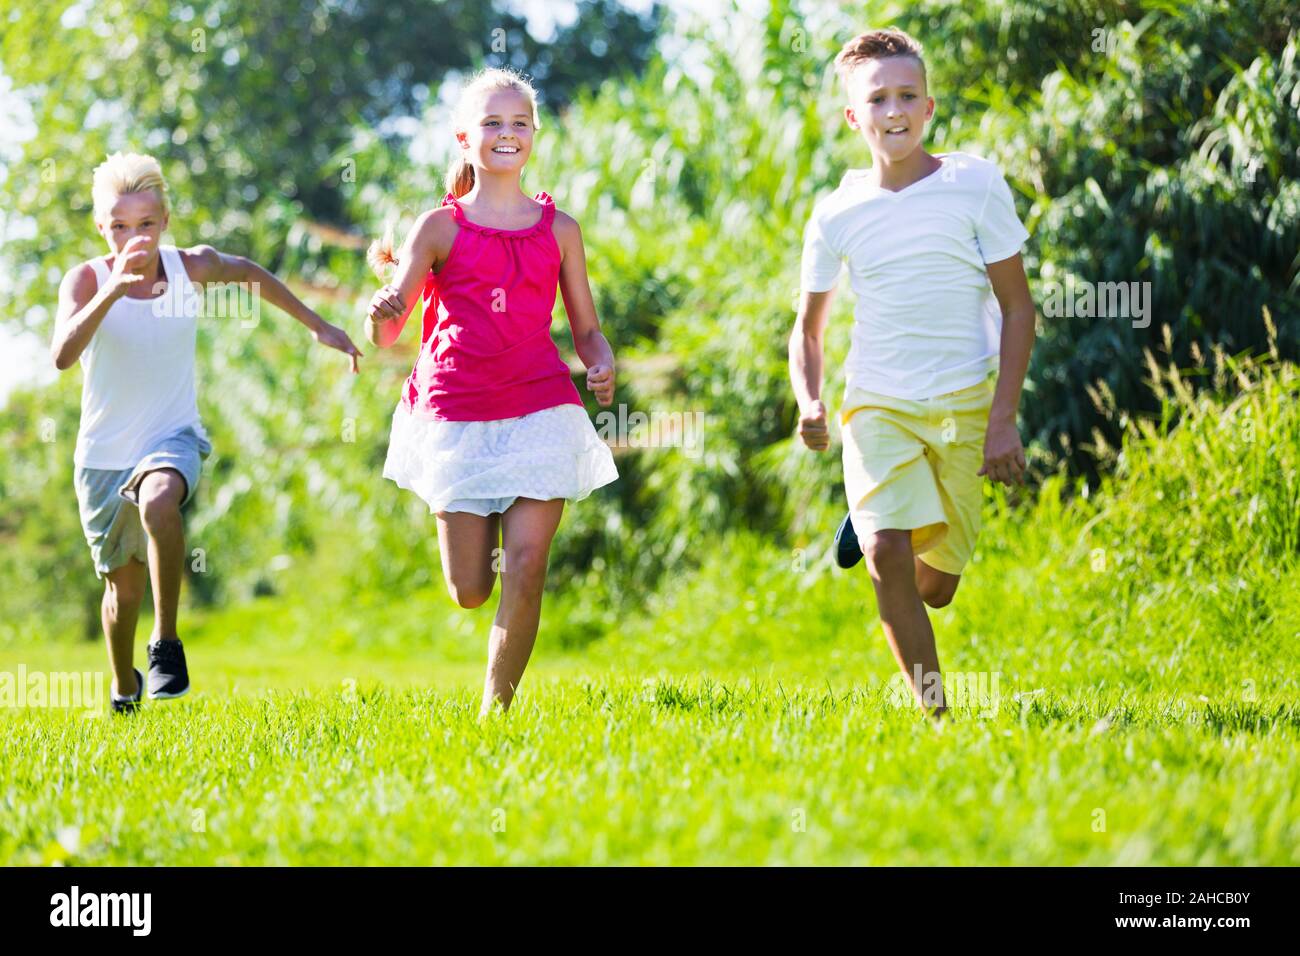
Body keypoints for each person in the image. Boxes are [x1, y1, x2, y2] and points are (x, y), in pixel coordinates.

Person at [51, 152, 363, 714]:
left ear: (164, 222)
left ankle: (166, 643)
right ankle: (125, 683)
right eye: (120, 226)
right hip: (101, 458)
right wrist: (113, 290)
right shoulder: (86, 280)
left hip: (172, 437)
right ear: (103, 228)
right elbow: (61, 356)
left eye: (146, 224)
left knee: (160, 501)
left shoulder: (189, 267)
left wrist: (319, 326)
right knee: (121, 592)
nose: (134, 237)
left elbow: (249, 273)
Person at [789, 28, 1037, 721]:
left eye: (906, 96)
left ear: (928, 108)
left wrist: (1002, 417)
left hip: (963, 402)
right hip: (877, 404)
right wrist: (809, 398)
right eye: (877, 99)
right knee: (886, 553)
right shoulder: (837, 211)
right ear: (852, 117)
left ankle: (875, 520)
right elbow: (807, 330)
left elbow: (1019, 309)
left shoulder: (975, 186)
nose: (893, 111)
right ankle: (938, 718)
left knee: (936, 587)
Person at [365, 68, 618, 717]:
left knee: (528, 562)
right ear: (463, 138)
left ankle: (494, 713)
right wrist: (380, 308)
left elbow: (586, 329)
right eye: (492, 123)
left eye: (519, 123)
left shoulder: (560, 231)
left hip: (541, 404)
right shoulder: (439, 229)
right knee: (471, 589)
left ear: (534, 134)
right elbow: (392, 332)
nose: (507, 134)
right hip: (456, 413)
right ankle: (478, 569)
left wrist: (600, 361)